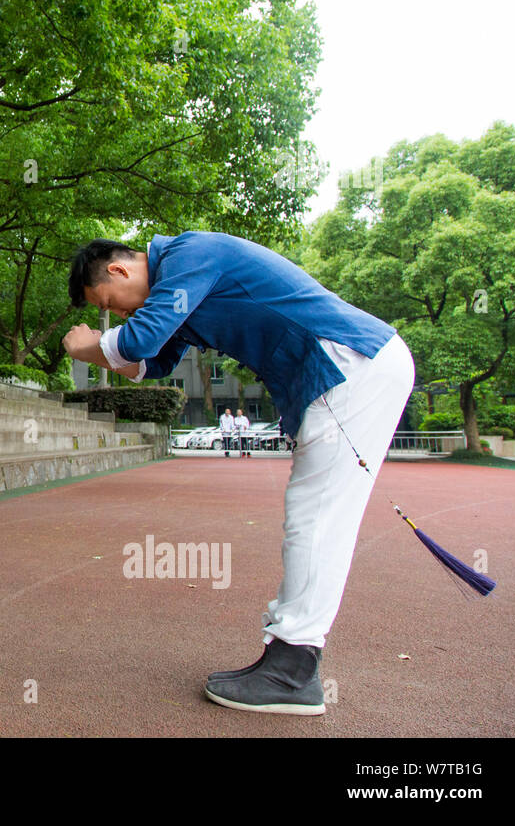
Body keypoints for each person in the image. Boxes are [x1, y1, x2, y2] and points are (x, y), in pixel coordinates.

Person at [64, 232, 413, 716]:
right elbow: (154, 361)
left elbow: (140, 340)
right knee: (313, 517)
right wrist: (106, 349)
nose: (119, 315)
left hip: (348, 364)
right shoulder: (179, 288)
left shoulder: (190, 255)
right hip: (345, 369)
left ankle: (292, 670)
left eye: (111, 305)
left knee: (317, 519)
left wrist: (88, 346)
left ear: (120, 271)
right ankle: (288, 659)